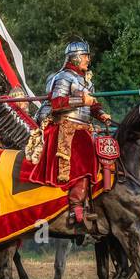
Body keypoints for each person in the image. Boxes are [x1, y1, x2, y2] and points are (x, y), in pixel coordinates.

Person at [27, 40, 113, 230]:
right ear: (75, 57)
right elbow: (57, 103)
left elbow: (93, 104)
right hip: (65, 128)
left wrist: (101, 114)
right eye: (85, 56)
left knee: (106, 153)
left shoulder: (86, 80)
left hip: (83, 128)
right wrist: (82, 99)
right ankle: (75, 207)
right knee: (83, 156)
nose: (88, 60)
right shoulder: (64, 77)